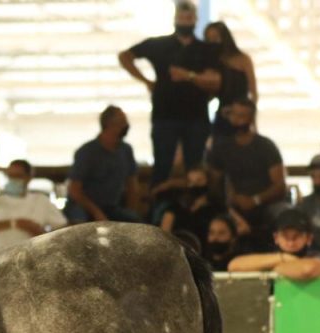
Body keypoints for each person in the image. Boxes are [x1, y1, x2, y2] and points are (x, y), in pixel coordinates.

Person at [118, 1, 219, 188]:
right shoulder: (159, 45)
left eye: (189, 18)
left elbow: (215, 80)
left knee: (196, 169)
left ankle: (193, 203)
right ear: (175, 19)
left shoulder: (206, 50)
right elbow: (125, 56)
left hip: (196, 116)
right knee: (162, 167)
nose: (185, 22)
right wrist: (146, 81)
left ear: (195, 20)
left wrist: (189, 76)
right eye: (182, 18)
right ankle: (160, 204)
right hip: (165, 116)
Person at [205, 98, 286, 250]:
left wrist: (255, 200)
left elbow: (280, 186)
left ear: (251, 118)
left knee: (282, 213)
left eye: (242, 116)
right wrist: (229, 205)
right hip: (231, 207)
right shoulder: (221, 147)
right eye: (234, 115)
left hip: (265, 205)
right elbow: (214, 183)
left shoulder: (266, 146)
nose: (237, 120)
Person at [64, 105, 141, 224]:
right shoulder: (87, 152)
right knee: (79, 223)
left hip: (110, 207)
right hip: (83, 207)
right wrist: (96, 212)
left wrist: (132, 211)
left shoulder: (126, 150)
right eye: (122, 121)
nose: (126, 125)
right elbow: (74, 190)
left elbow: (132, 185)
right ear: (109, 124)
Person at [0, 159, 67, 249]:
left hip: (32, 254)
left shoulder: (41, 201)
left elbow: (62, 228)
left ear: (29, 177)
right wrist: (15, 223)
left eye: (18, 176)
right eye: (10, 176)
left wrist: (42, 234)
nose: (13, 179)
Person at [227, 208, 320, 279]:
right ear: (276, 238)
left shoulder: (319, 257)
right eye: (285, 236)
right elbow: (234, 266)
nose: (291, 242)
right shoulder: (272, 257)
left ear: (309, 238)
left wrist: (272, 268)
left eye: (296, 236)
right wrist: (283, 258)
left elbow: (307, 270)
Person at [203, 21, 257, 139]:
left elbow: (253, 92)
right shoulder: (213, 63)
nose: (213, 42)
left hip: (242, 114)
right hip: (223, 115)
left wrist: (251, 117)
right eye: (209, 39)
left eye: (215, 38)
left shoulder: (243, 59)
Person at [155, 168, 217, 242]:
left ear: (209, 182)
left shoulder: (215, 209)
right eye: (190, 181)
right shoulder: (173, 209)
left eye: (199, 180)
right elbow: (163, 238)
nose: (193, 185)